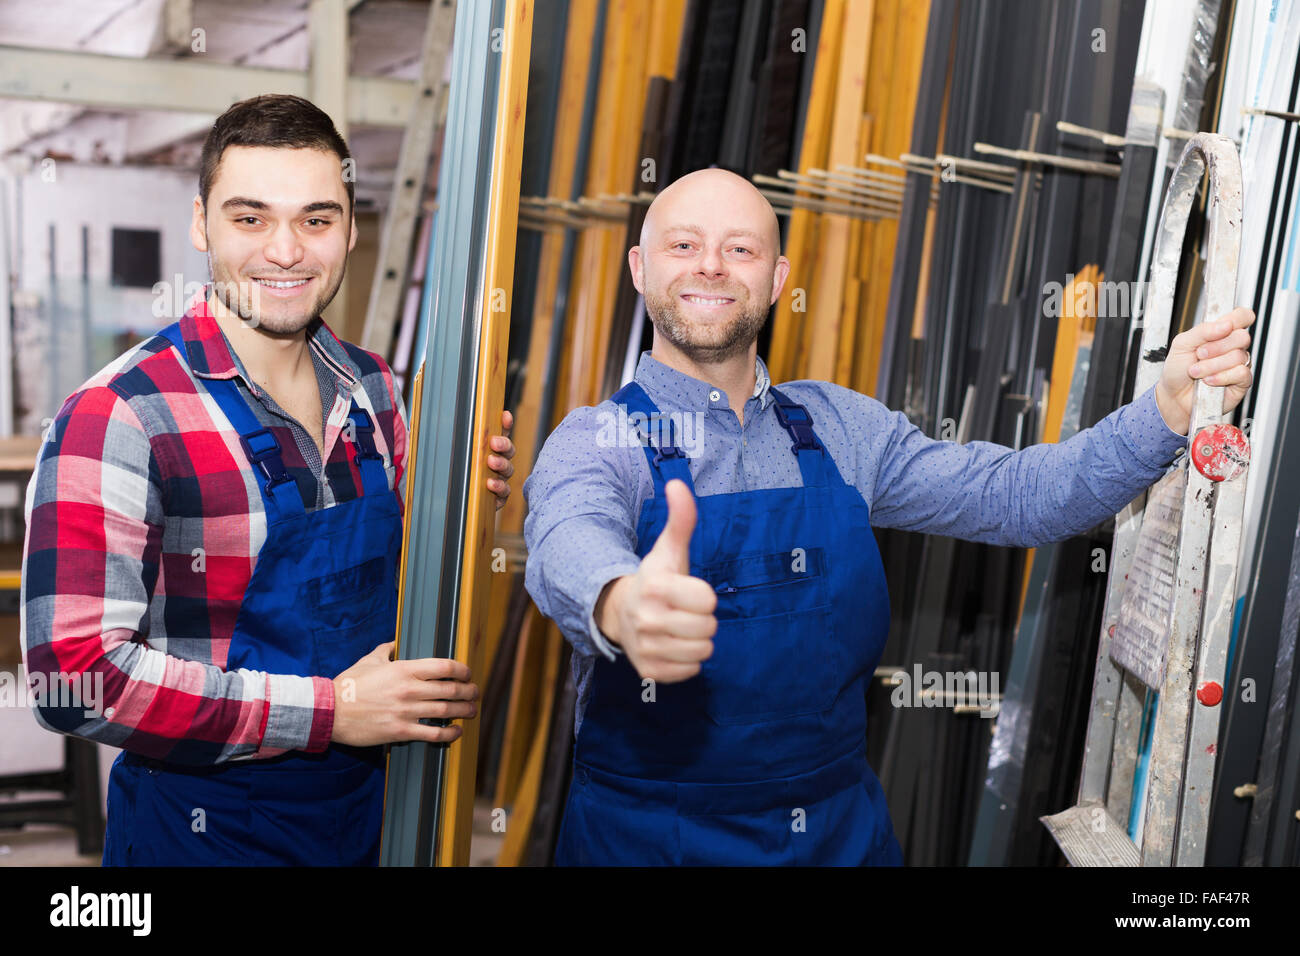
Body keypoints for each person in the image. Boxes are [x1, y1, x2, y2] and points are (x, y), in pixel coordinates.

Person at [522, 167, 1255, 866]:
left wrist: (1163, 413)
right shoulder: (598, 441)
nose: (711, 265)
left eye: (740, 249)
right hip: (650, 843)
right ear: (639, 268)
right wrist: (620, 601)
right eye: (683, 245)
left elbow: (1020, 495)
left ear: (777, 280)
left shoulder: (840, 429)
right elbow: (566, 536)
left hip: (837, 840)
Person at [21, 94, 516, 866]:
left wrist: (463, 504)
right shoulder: (119, 416)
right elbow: (72, 679)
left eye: (317, 219)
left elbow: (408, 584)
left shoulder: (380, 392)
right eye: (250, 218)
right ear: (201, 223)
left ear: (350, 229)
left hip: (367, 817)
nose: (285, 251)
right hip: (201, 834)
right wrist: (332, 710)